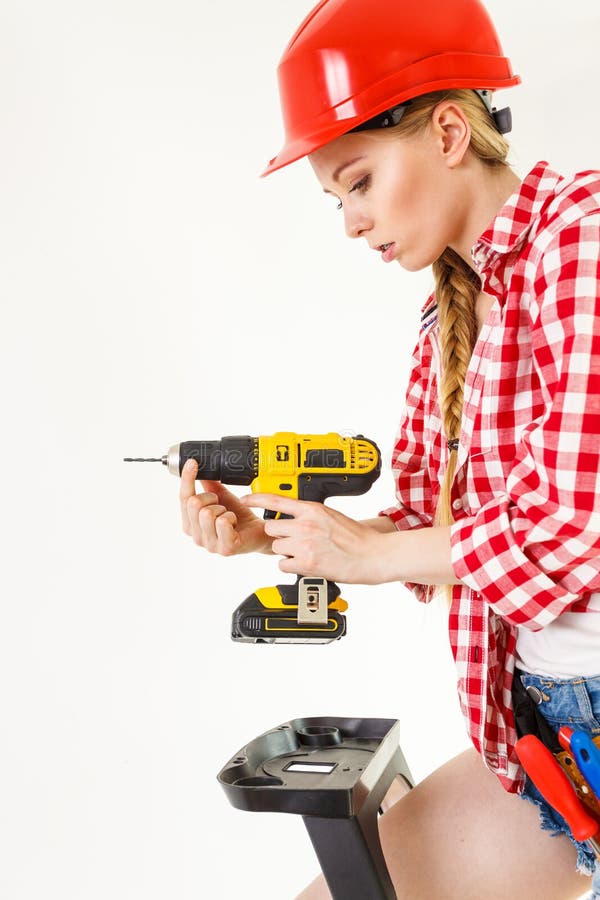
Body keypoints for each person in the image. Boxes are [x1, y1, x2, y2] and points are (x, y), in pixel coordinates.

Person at [179, 0, 600, 896]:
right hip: (553, 737)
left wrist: (371, 553)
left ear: (448, 130)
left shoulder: (583, 237)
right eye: (335, 198)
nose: (350, 223)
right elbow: (422, 532)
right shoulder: (448, 309)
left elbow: (573, 524)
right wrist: (281, 534)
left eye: (360, 181)